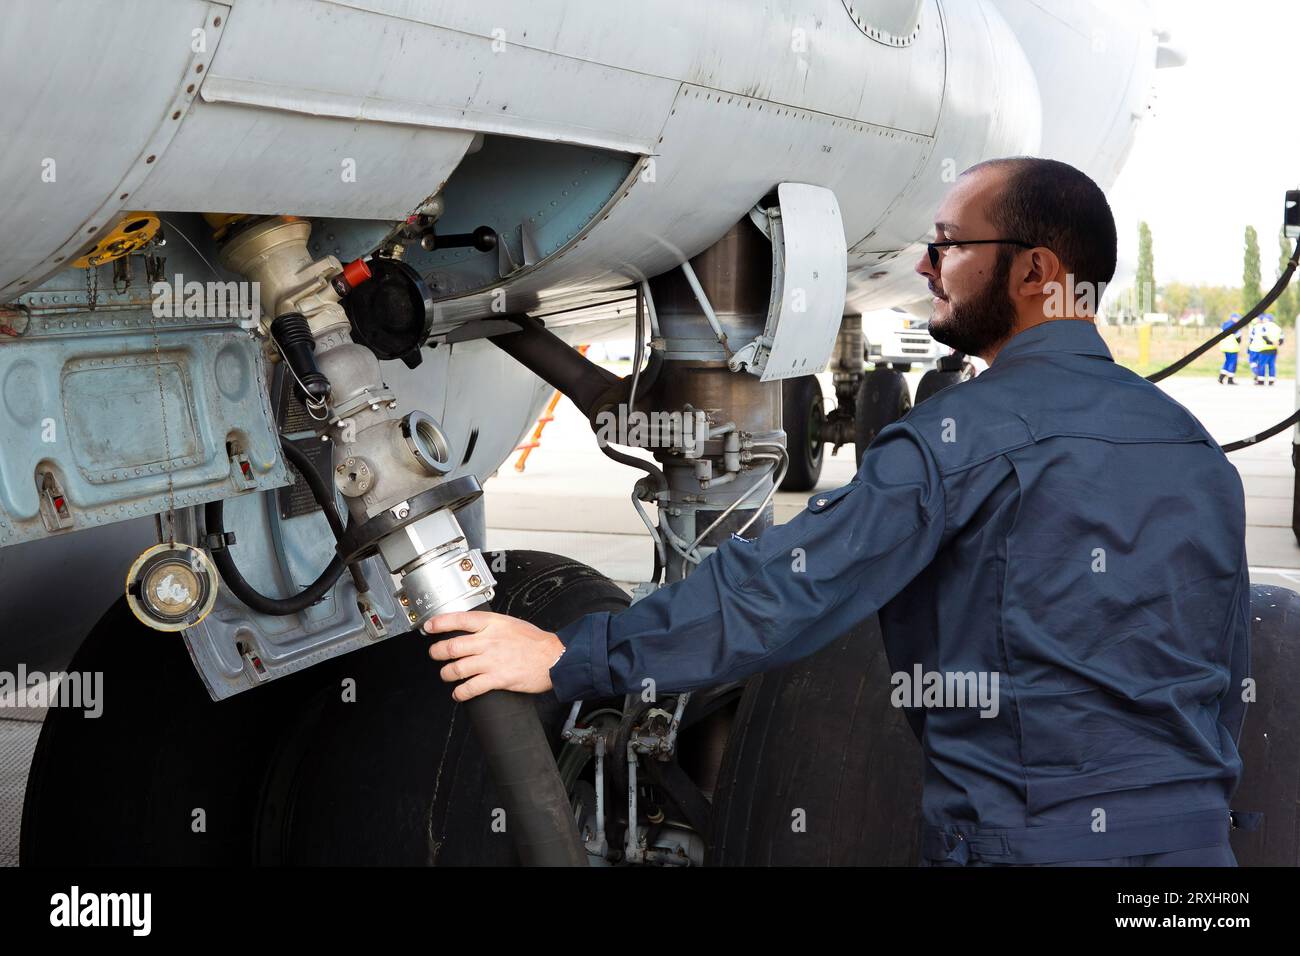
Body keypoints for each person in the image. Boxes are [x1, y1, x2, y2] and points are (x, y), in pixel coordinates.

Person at [425, 157, 1251, 867]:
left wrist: (572, 654)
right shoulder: (1193, 449)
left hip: (1030, 841)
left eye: (948, 244)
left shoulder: (961, 440)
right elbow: (1222, 674)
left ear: (1037, 273)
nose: (926, 266)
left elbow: (788, 588)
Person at [1251, 312, 1284, 385]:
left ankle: (1261, 380)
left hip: (1264, 349)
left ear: (1267, 319)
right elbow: (1281, 339)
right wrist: (1276, 343)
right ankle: (1271, 380)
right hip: (1274, 349)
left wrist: (1271, 342)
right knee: (1272, 365)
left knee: (1262, 365)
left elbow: (1264, 337)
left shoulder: (1263, 326)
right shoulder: (1278, 327)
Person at [1219, 312, 1241, 385]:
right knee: (1232, 363)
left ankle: (1221, 378)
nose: (1238, 320)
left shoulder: (1224, 324)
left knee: (1227, 361)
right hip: (1233, 347)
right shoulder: (1235, 326)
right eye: (1237, 318)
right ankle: (1230, 380)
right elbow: (1238, 338)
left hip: (1224, 346)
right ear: (1233, 318)